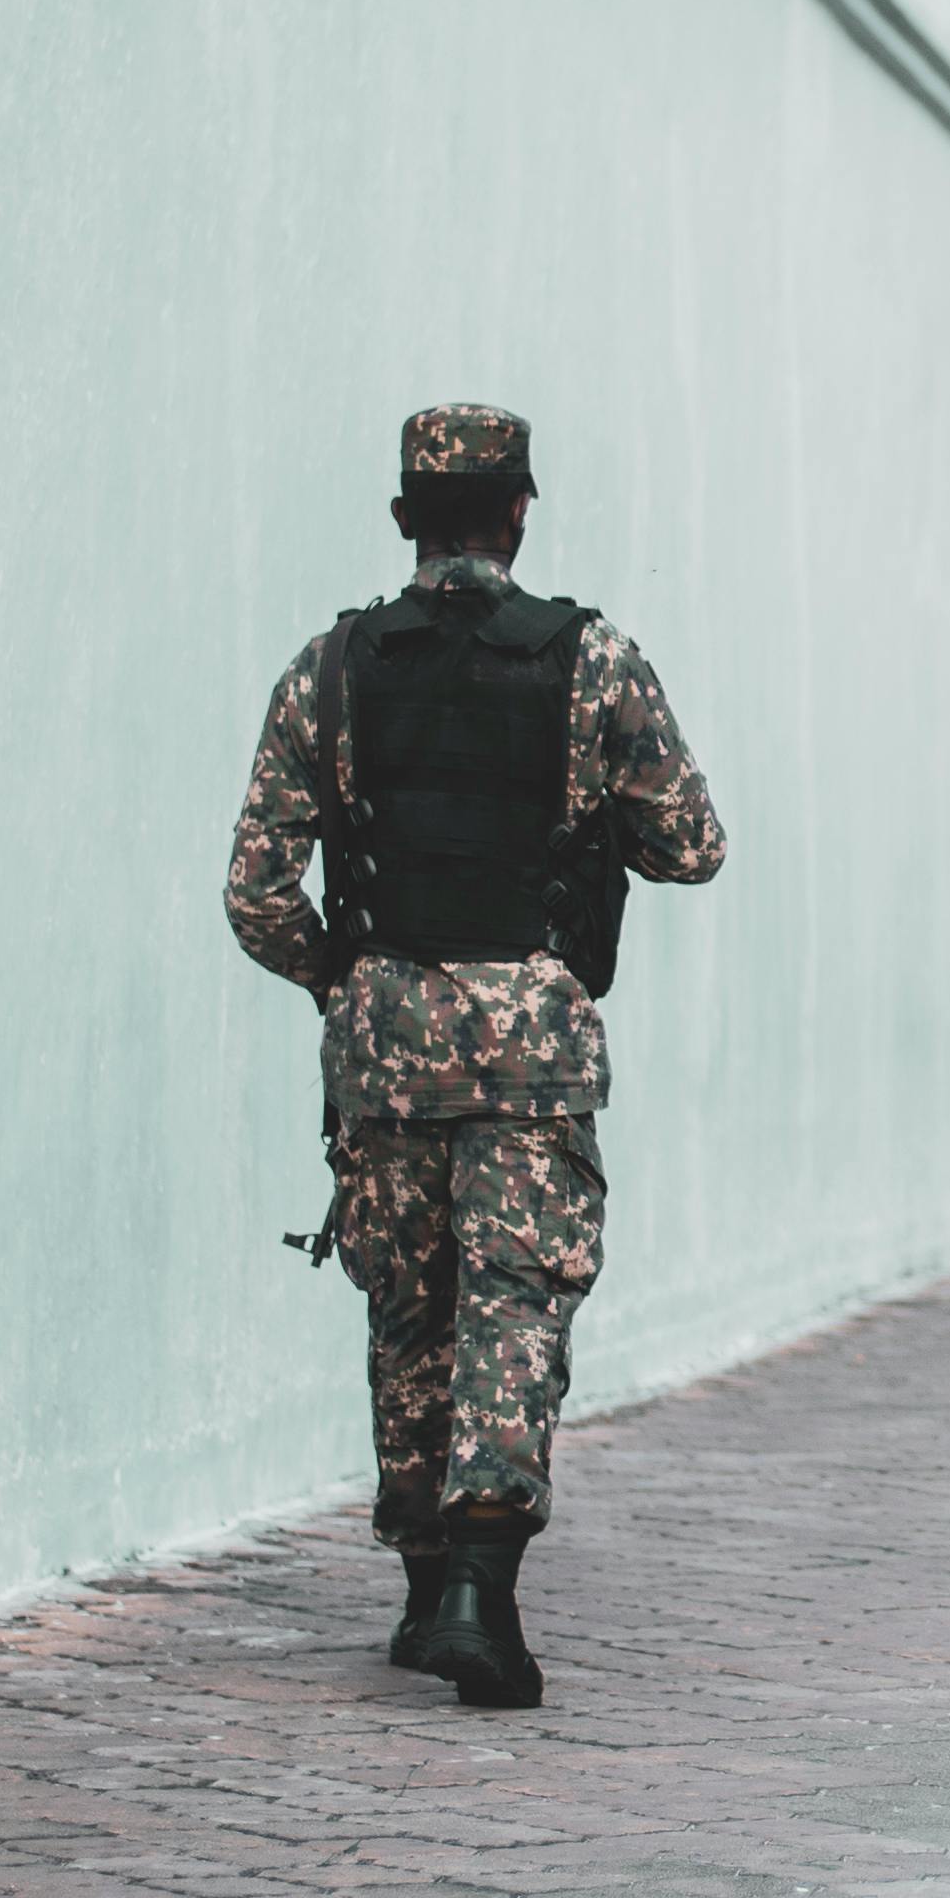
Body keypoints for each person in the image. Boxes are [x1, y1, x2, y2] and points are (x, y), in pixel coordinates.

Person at [223, 405, 725, 1709]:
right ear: (518, 512)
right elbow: (691, 842)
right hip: (530, 1049)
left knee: (410, 1304)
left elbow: (258, 890)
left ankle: (421, 1581)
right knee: (514, 1300)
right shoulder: (592, 660)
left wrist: (342, 978)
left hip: (384, 1041)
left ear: (405, 517)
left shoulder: (332, 667)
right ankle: (480, 1596)